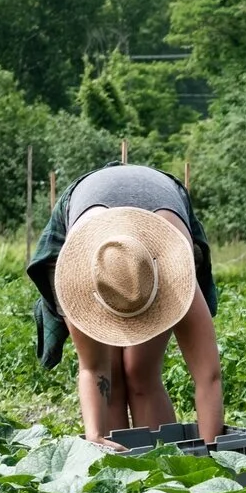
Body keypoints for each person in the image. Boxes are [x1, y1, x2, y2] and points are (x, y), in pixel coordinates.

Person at [26, 163, 222, 448]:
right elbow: (93, 369)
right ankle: (119, 464)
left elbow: (209, 376)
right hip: (86, 217)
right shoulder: (75, 275)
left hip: (161, 213)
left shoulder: (175, 271)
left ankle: (163, 461)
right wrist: (95, 436)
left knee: (141, 371)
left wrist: (212, 453)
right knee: (111, 377)